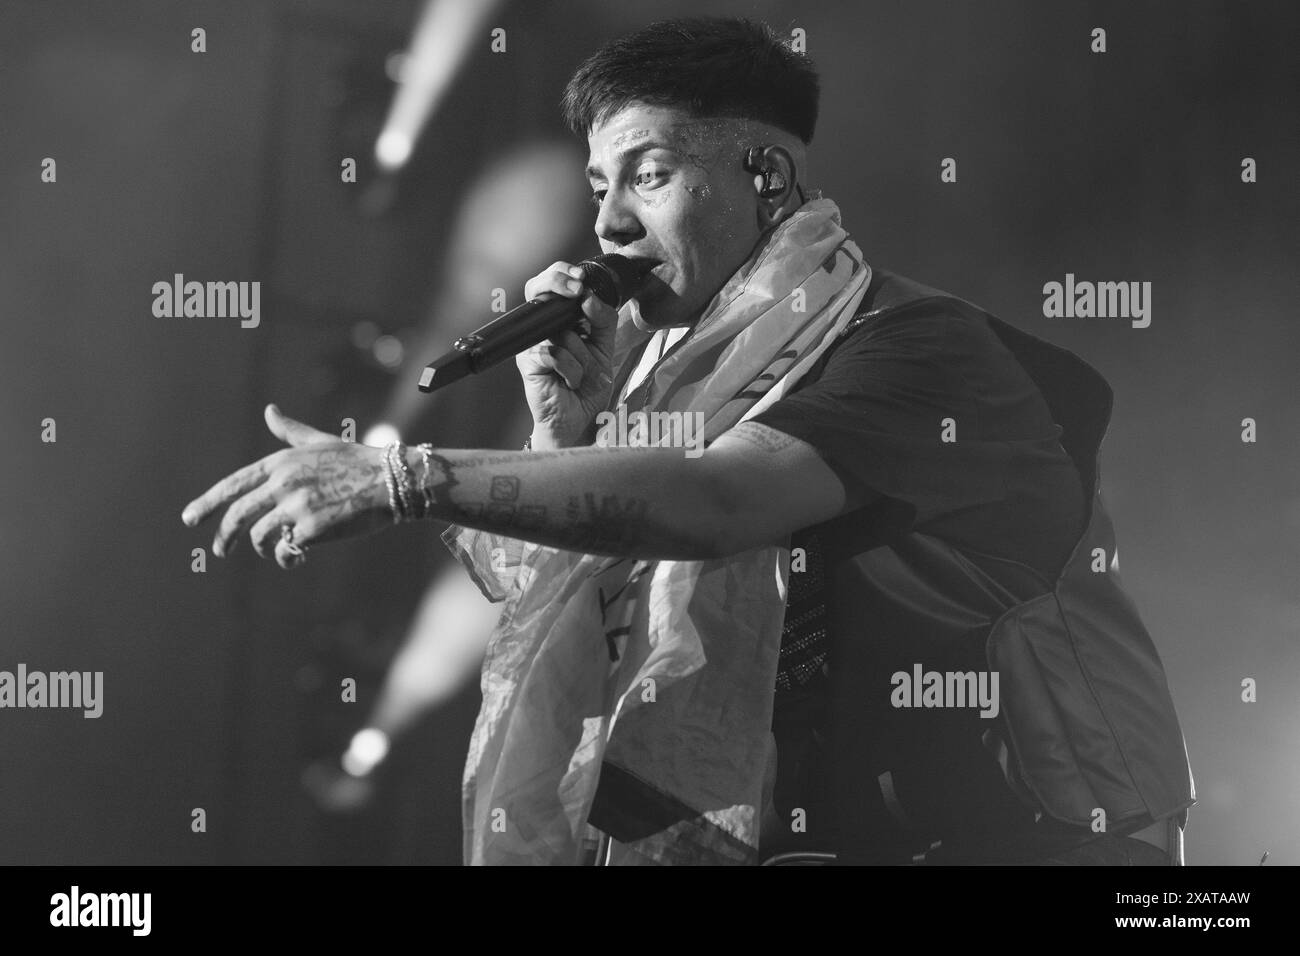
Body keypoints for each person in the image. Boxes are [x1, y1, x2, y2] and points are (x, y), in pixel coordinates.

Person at [183, 17, 1194, 866]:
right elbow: (579, 574)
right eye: (596, 186)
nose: (608, 222)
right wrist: (566, 434)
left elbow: (719, 503)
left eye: (649, 174)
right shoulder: (667, 394)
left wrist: (408, 476)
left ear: (764, 174)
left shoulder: (917, 347)